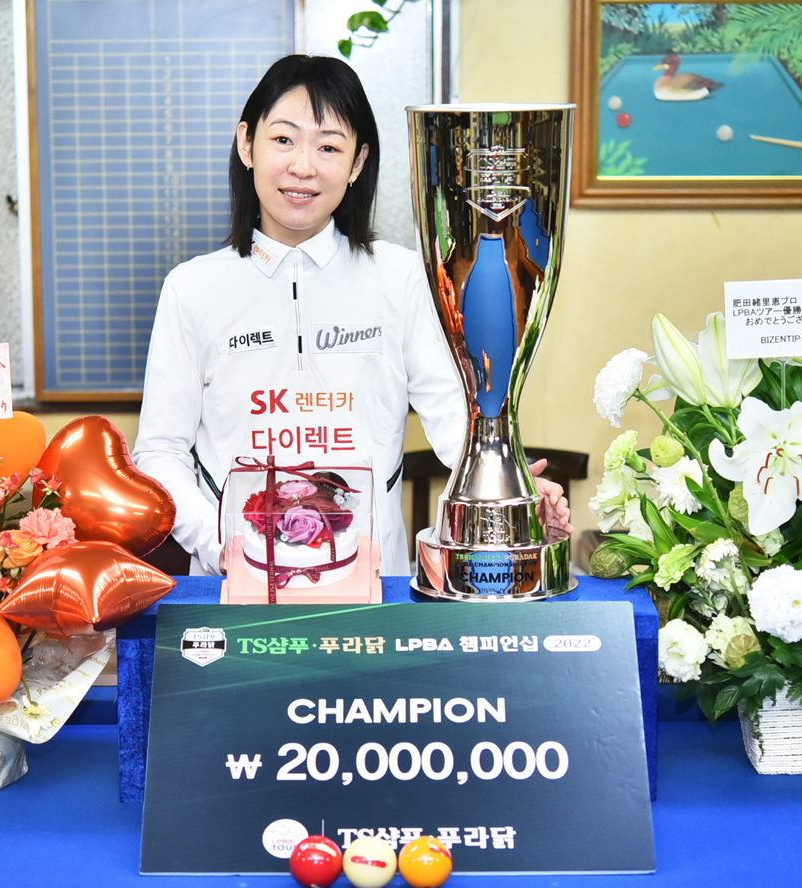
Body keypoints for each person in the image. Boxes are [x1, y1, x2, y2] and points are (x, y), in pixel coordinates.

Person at [131, 54, 571, 578]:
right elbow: (159, 452)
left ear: (358, 162)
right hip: (235, 589)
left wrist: (512, 488)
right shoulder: (192, 288)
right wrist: (221, 544)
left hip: (372, 587)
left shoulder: (403, 276)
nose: (303, 167)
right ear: (247, 144)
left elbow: (459, 425)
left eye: (329, 147)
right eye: (284, 140)